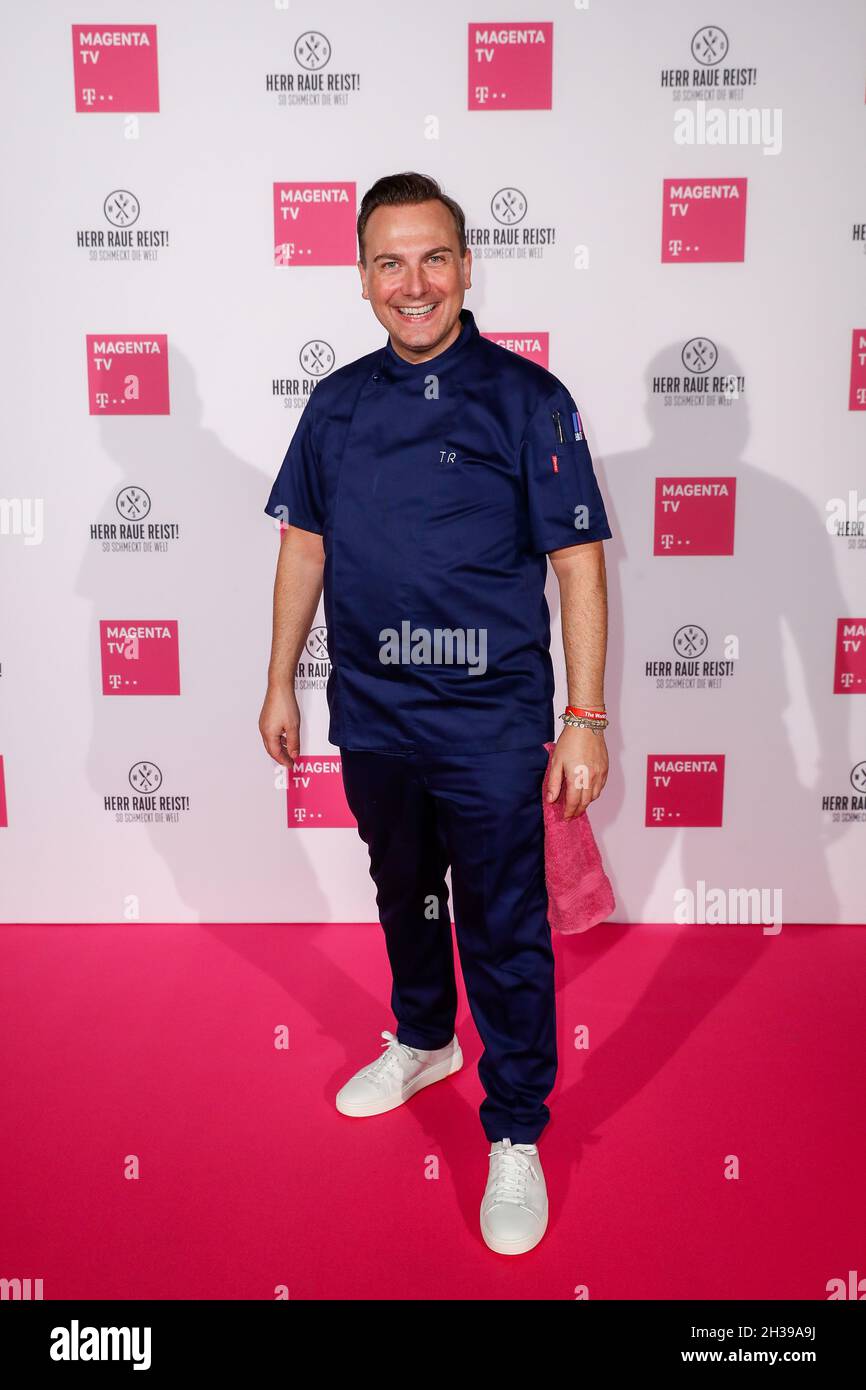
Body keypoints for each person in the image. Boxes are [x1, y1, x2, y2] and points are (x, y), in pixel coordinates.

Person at [259, 171, 612, 1257]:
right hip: (373, 712)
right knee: (402, 889)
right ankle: (421, 1038)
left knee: (502, 925)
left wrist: (583, 715)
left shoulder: (526, 399)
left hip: (492, 721)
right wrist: (279, 678)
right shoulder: (335, 404)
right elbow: (305, 545)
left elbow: (577, 563)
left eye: (432, 258)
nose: (412, 283)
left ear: (466, 265)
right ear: (361, 277)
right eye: (388, 261)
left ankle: (513, 1127)